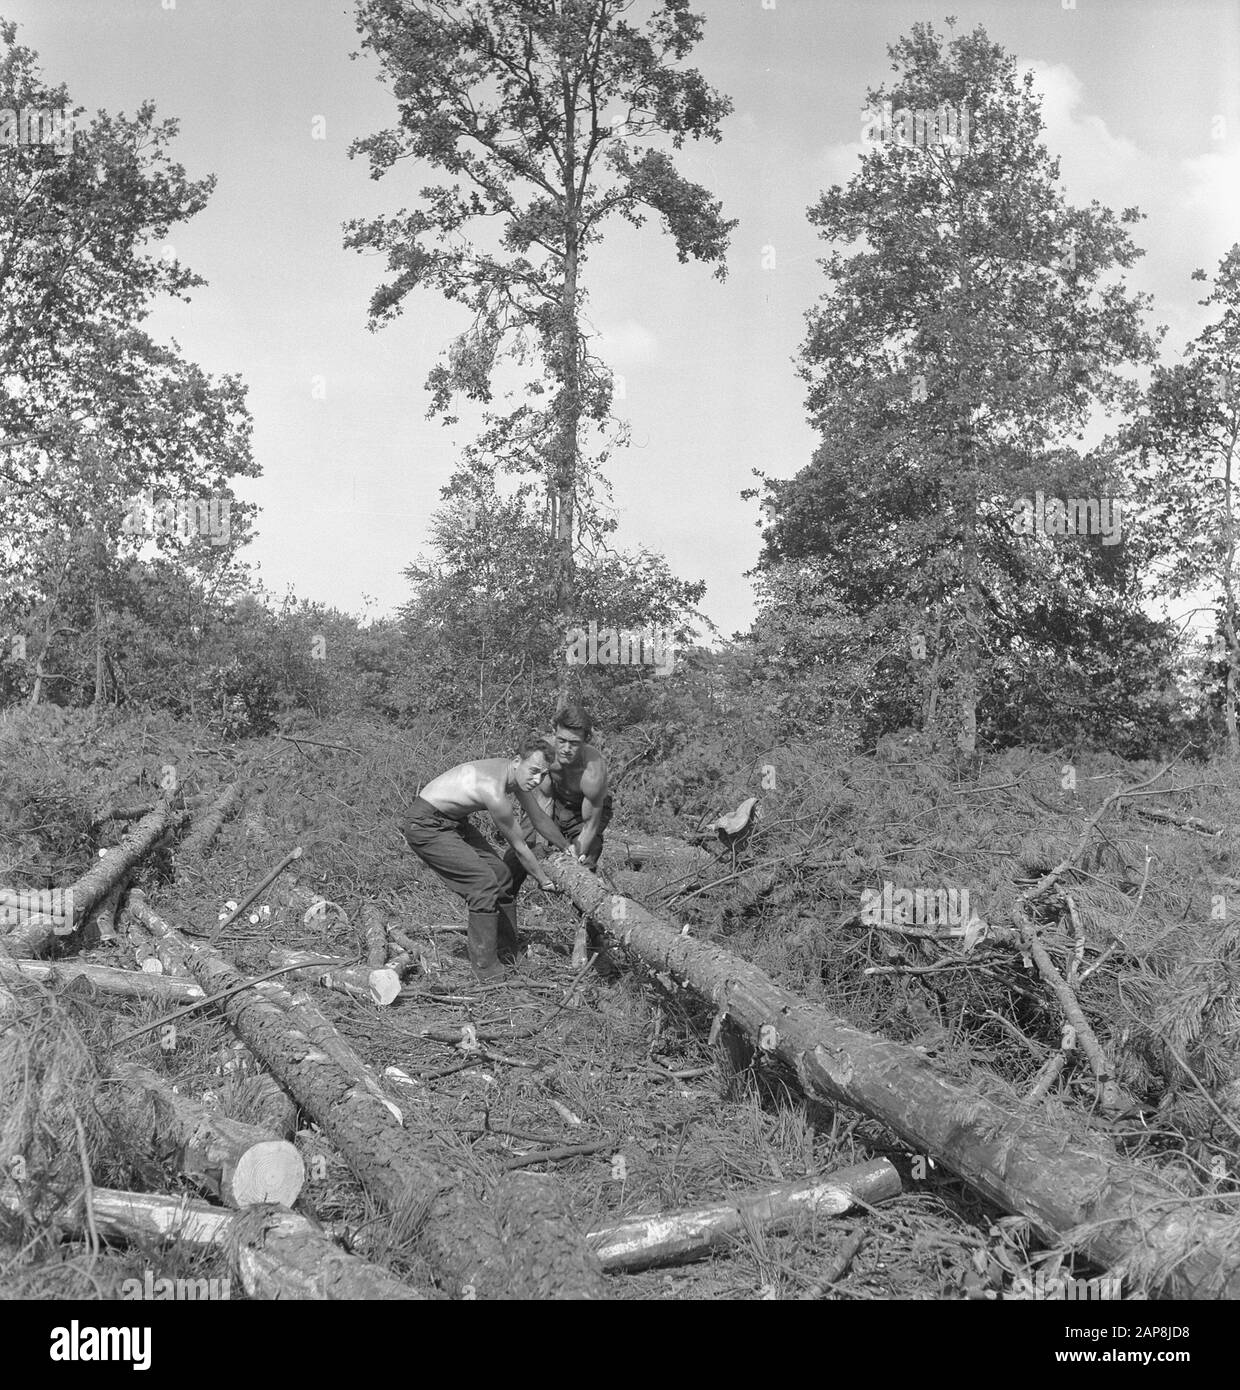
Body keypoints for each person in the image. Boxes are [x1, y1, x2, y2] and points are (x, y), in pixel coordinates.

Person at [399, 735, 573, 983]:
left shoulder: (515, 776)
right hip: (425, 824)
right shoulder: (494, 788)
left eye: (543, 775)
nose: (537, 780)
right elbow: (520, 846)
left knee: (501, 875)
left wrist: (567, 847)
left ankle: (507, 954)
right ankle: (487, 971)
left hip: (453, 822)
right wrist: (544, 881)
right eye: (534, 771)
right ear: (516, 761)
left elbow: (539, 818)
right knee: (482, 884)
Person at [499, 706, 612, 953]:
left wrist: (575, 852)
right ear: (554, 733)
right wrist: (543, 845)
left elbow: (591, 823)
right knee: (515, 858)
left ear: (586, 740)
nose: (565, 749)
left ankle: (594, 945)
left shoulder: (593, 772)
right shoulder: (546, 754)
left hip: (585, 813)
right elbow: (543, 802)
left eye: (574, 743)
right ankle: (503, 938)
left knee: (585, 871)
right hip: (554, 802)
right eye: (561, 740)